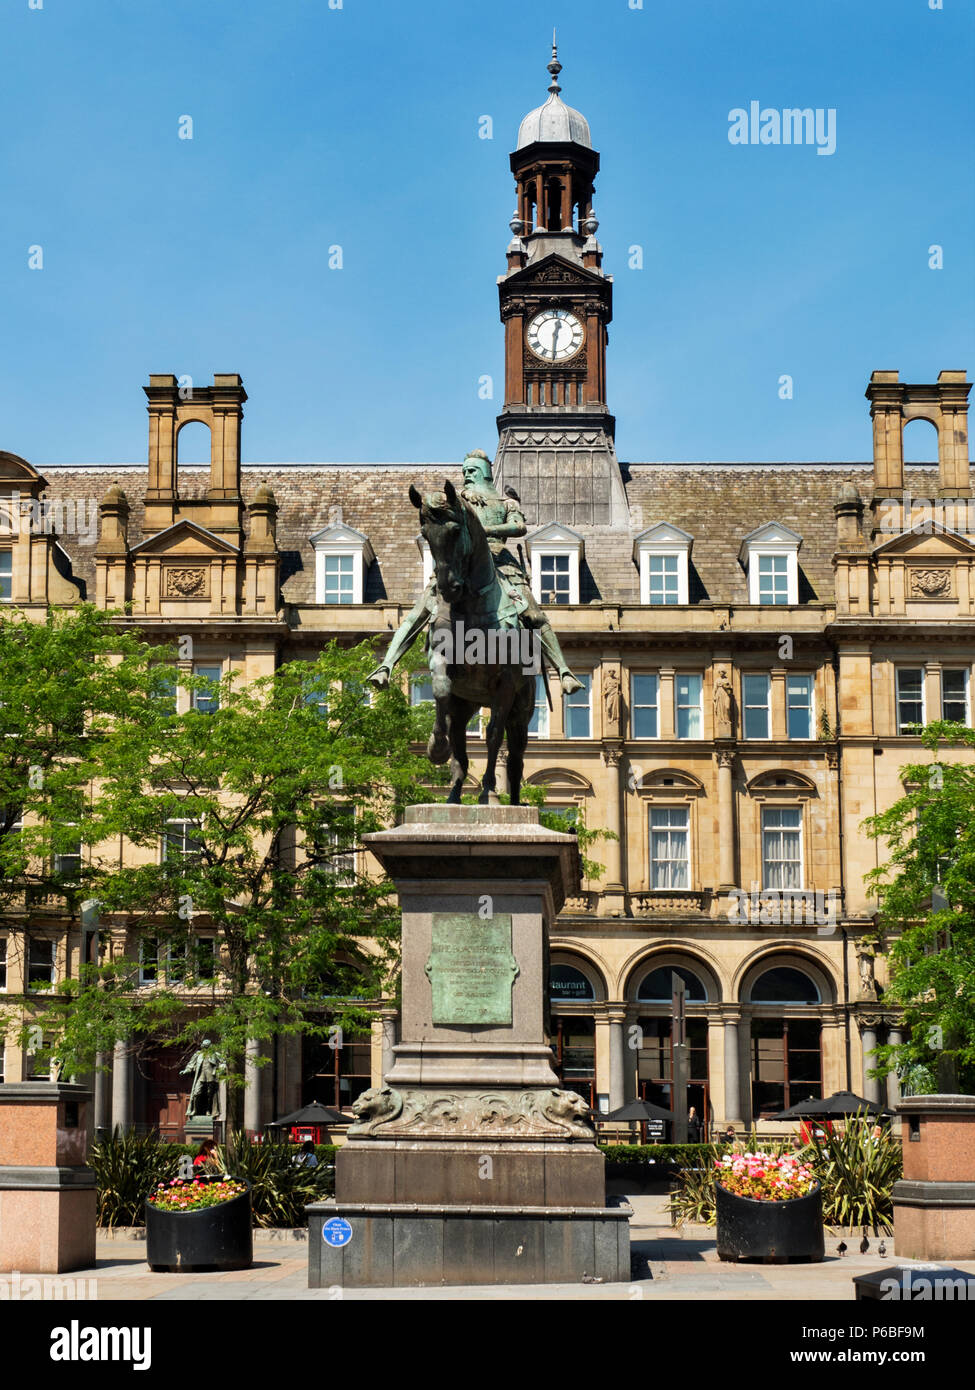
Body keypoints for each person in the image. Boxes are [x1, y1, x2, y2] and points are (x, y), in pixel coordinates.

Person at [367, 450, 582, 695]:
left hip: (501, 561)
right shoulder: (459, 502)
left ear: (485, 473)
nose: (467, 475)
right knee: (420, 610)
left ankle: (564, 671)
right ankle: (386, 666)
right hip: (460, 562)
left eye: (472, 470)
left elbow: (519, 526)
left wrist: (485, 529)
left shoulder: (506, 503)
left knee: (533, 613)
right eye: (464, 471)